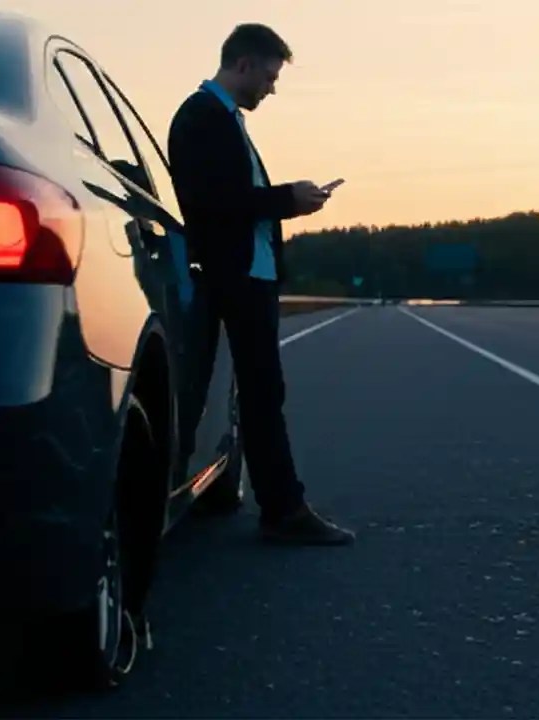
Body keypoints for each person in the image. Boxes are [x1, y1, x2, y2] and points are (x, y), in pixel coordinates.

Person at [167, 23, 355, 546]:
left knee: (244, 389)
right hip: (233, 275)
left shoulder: (221, 118)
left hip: (246, 273)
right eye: (269, 76)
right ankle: (283, 510)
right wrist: (286, 199)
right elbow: (214, 202)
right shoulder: (202, 117)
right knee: (253, 391)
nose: (272, 88)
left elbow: (228, 198)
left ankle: (241, 496)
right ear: (243, 64)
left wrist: (289, 201)